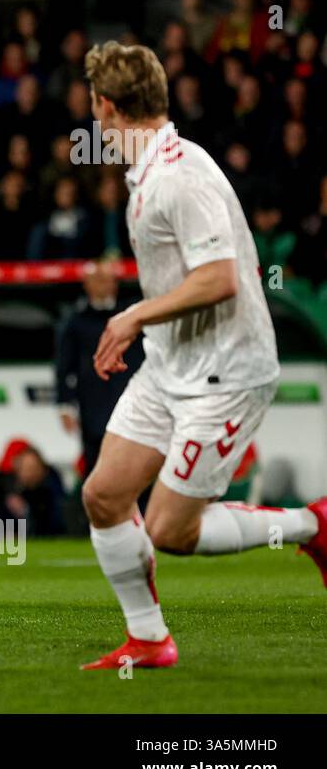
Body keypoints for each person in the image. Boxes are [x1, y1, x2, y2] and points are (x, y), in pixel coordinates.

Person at [78, 42, 327, 670]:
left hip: (226, 375)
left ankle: (313, 526)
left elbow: (219, 279)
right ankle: (149, 640)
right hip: (172, 365)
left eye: (93, 107)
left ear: (107, 107)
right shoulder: (154, 170)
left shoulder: (178, 178)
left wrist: (133, 314)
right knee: (105, 495)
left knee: (169, 531)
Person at [55, 258, 143, 473]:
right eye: (97, 279)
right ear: (86, 284)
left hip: (134, 403)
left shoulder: (133, 315)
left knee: (136, 467)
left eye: (107, 279)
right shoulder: (75, 320)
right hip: (94, 407)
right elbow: (64, 365)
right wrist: (64, 403)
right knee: (97, 468)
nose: (103, 284)